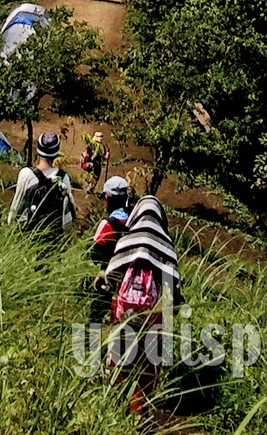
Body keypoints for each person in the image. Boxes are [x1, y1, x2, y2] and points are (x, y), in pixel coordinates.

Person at [100, 196, 182, 416]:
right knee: (146, 368)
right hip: (151, 319)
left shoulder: (128, 239)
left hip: (124, 314)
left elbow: (112, 276)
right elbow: (173, 291)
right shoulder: (165, 244)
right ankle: (140, 416)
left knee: (119, 360)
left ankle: (113, 411)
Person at [8, 131, 76, 239]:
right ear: (57, 153)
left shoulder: (26, 174)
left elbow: (16, 205)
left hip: (28, 237)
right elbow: (69, 212)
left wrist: (10, 228)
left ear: (38, 150)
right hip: (54, 239)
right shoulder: (63, 178)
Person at [89, 175, 131, 265]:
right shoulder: (133, 218)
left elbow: (94, 255)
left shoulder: (107, 224)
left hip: (110, 271)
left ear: (107, 199)